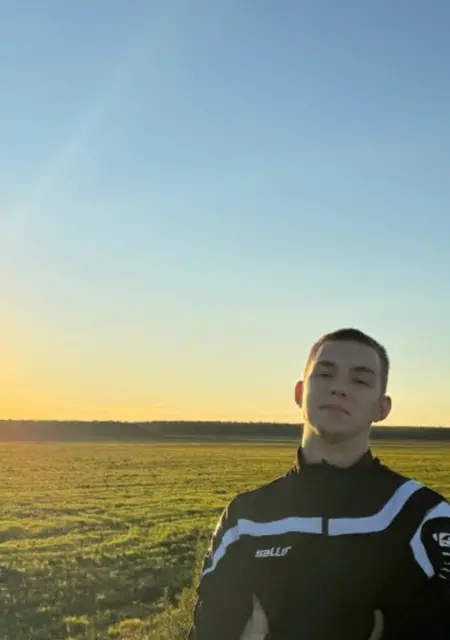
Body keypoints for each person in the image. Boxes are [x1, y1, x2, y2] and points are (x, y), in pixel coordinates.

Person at [188, 328, 450, 639]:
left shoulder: (424, 516)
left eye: (360, 380)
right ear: (300, 393)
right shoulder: (245, 519)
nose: (339, 388)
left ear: (382, 408)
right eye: (325, 374)